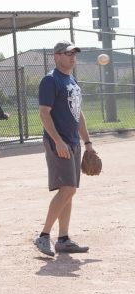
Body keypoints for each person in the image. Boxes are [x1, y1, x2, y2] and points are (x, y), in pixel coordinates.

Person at [34, 41, 96, 257]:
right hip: (58, 141)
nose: (72, 57)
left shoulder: (71, 80)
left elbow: (78, 113)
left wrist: (87, 143)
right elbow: (44, 113)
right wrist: (58, 141)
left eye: (74, 53)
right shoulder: (51, 80)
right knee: (68, 188)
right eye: (68, 53)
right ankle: (43, 235)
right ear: (56, 57)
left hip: (72, 142)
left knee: (69, 191)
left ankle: (63, 239)